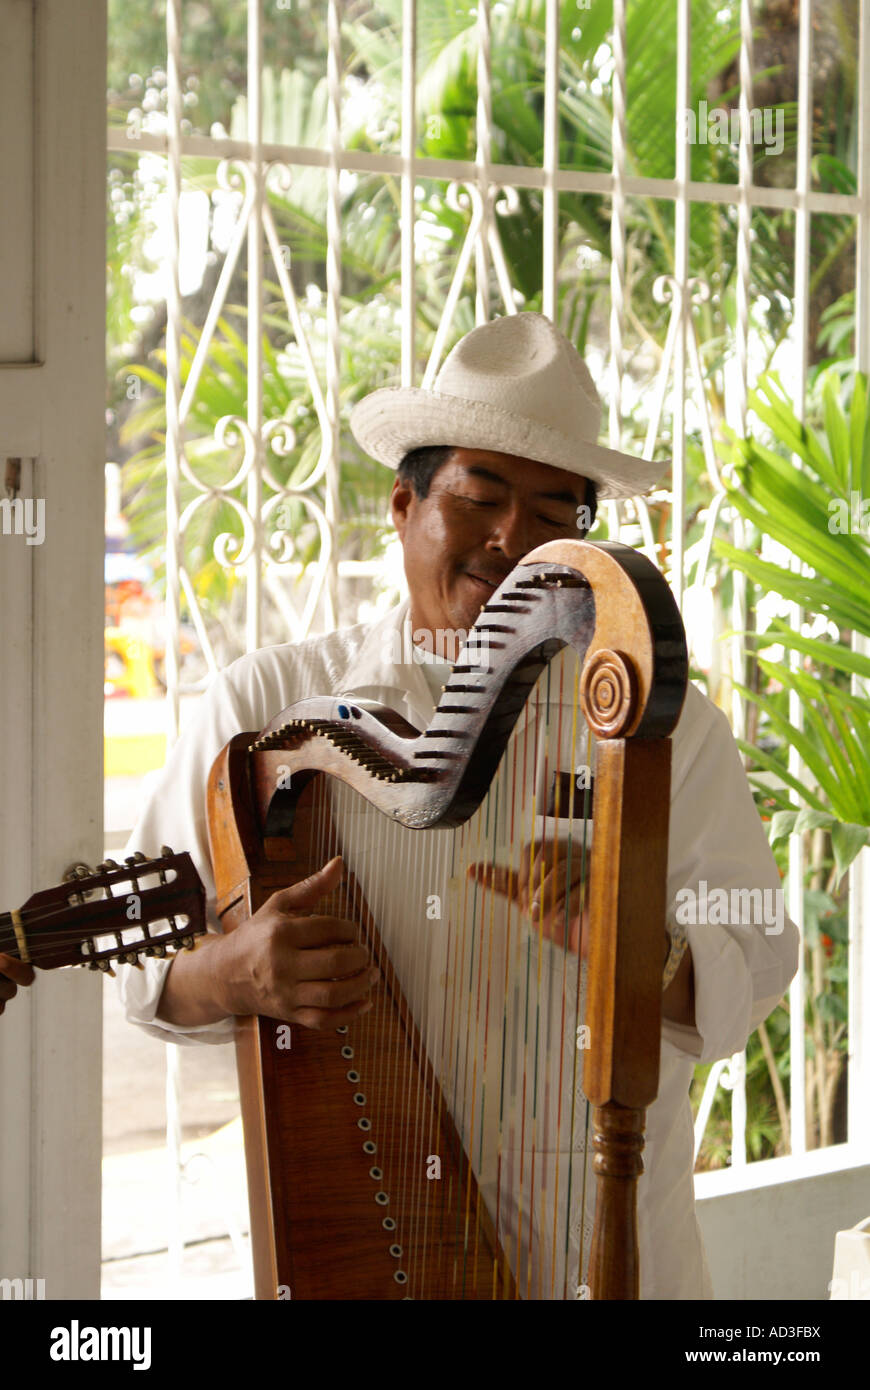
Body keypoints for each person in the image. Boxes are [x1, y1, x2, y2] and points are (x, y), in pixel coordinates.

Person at [118, 312, 799, 1297]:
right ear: (403, 505)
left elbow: (759, 961)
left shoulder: (662, 727)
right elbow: (140, 969)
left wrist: (634, 937)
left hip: (604, 1257)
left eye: (554, 517)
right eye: (479, 498)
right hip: (362, 1250)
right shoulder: (262, 708)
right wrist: (228, 974)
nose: (511, 540)